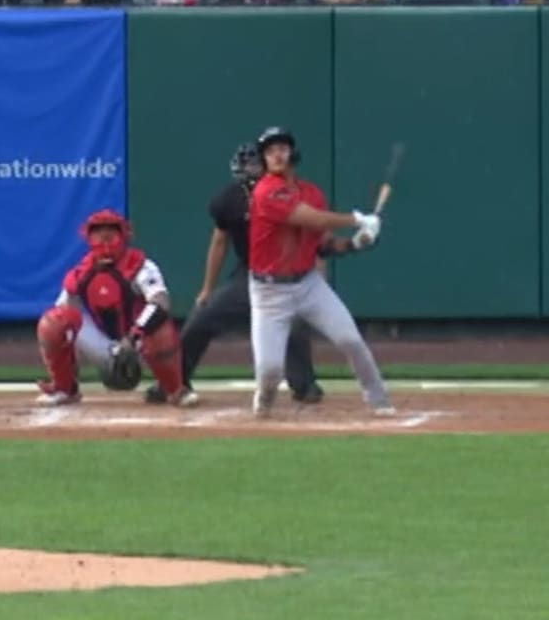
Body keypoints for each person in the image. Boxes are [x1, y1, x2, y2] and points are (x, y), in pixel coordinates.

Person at [145, 142, 323, 405]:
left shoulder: (289, 195)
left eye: (255, 163)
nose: (250, 169)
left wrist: (313, 278)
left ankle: (305, 384)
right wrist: (207, 288)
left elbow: (310, 238)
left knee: (294, 323)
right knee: (202, 317)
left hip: (286, 271)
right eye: (246, 164)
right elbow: (219, 243)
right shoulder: (229, 200)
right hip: (249, 272)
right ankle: (173, 380)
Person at [246, 126, 393, 418]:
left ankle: (378, 399)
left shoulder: (312, 193)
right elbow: (308, 218)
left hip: (308, 284)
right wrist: (357, 219)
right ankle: (264, 398)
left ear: (292, 154)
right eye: (270, 151)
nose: (277, 155)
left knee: (350, 340)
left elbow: (323, 245)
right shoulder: (265, 191)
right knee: (270, 369)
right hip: (269, 292)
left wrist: (355, 243)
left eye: (282, 149)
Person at [34, 209, 199, 408]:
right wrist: (70, 360)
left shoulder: (141, 266)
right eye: (98, 234)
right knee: (53, 322)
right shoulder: (82, 272)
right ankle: (64, 388)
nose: (104, 240)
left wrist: (133, 336)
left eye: (110, 233)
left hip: (138, 342)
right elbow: (63, 313)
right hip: (103, 344)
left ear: (123, 236)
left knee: (160, 325)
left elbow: (160, 303)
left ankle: (174, 389)